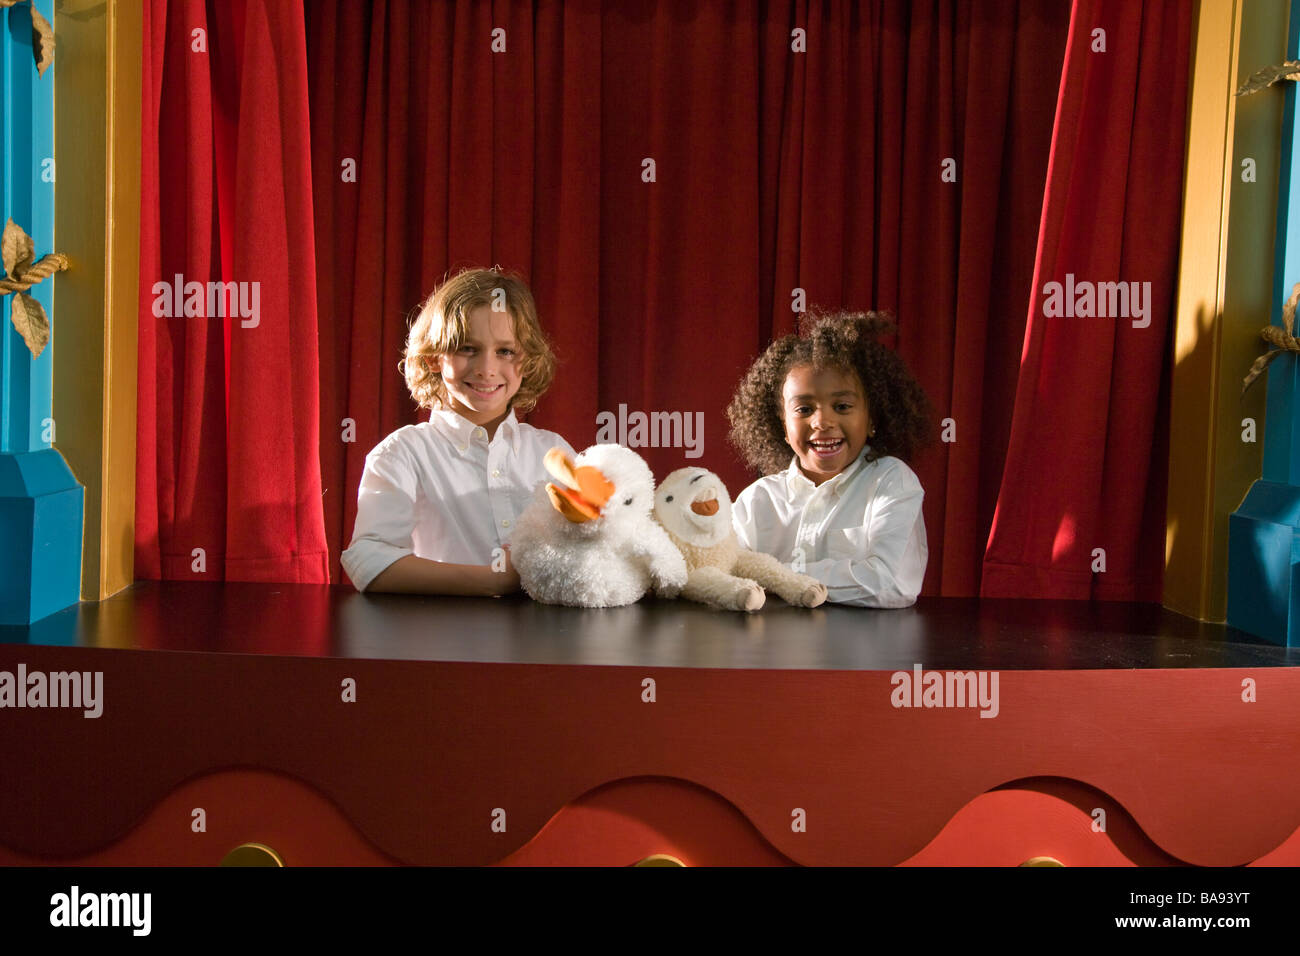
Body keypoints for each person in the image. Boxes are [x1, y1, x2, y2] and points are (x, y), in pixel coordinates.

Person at [340, 267, 575, 595]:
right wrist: (497, 580)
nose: (487, 369)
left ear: (527, 362)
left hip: (543, 643)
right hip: (441, 642)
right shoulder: (403, 452)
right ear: (435, 357)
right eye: (467, 348)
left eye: (505, 351)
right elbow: (370, 560)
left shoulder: (553, 452)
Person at [726, 310, 933, 607]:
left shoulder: (890, 482)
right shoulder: (756, 501)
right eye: (804, 409)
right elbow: (727, 573)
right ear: (782, 426)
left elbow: (887, 582)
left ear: (872, 417)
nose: (822, 421)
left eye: (843, 406)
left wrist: (772, 576)